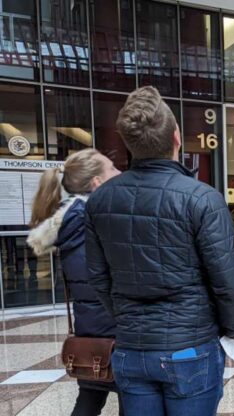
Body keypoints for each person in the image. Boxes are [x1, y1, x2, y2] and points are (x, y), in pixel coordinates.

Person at [85, 86, 234, 416]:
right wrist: (232, 330)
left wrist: (126, 318)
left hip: (132, 348)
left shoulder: (100, 200)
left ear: (128, 142)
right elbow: (228, 280)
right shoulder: (202, 198)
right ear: (176, 136)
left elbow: (98, 277)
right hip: (190, 346)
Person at [27, 149, 121, 416]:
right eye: (112, 168)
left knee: (90, 396)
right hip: (112, 327)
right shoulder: (90, 219)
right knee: (130, 398)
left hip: (90, 326)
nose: (119, 172)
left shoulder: (70, 221)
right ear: (97, 182)